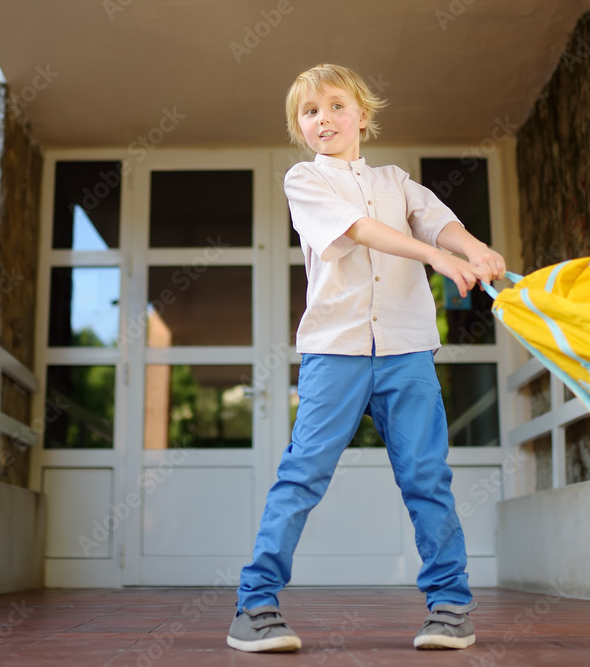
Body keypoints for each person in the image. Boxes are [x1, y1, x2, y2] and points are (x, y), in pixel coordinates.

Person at [226, 63, 506, 653]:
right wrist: (435, 258)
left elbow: (441, 221)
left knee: (427, 476)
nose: (323, 118)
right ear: (299, 127)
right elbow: (359, 231)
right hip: (335, 352)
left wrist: (477, 250)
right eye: (309, 111)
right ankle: (255, 607)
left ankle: (451, 607)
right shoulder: (304, 180)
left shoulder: (398, 181)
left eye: (335, 105)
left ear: (362, 114)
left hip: (407, 351)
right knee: (302, 475)